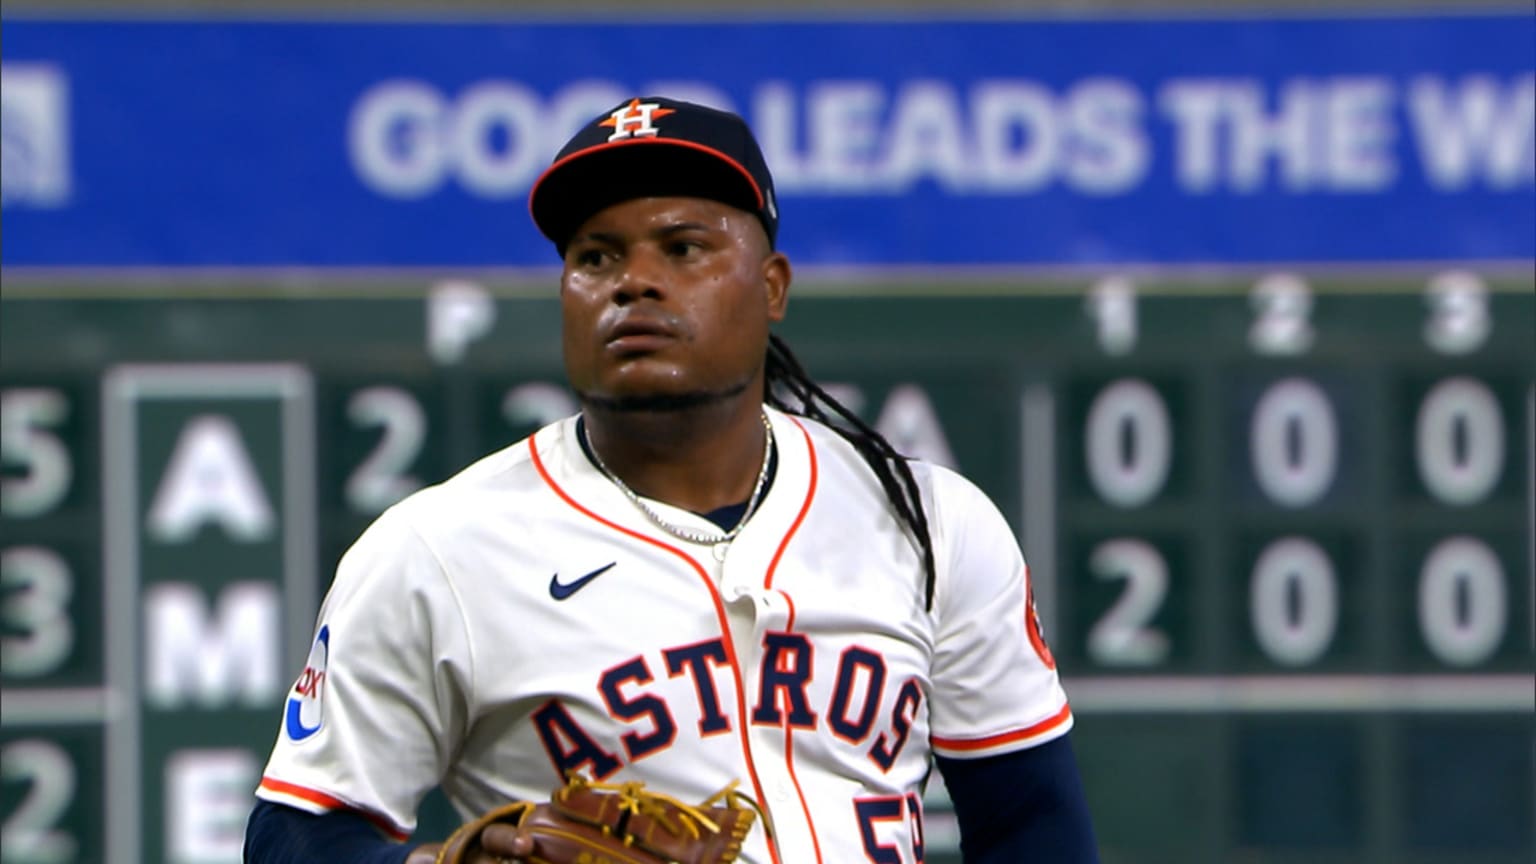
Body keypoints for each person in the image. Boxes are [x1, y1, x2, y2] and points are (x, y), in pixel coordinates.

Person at [243, 96, 1098, 864]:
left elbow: (1033, 827)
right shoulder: (438, 549)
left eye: (684, 248)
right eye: (595, 257)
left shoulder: (927, 521)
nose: (634, 282)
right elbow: (292, 839)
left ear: (772, 288)